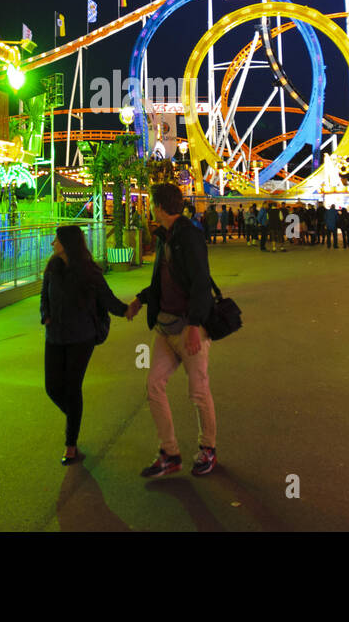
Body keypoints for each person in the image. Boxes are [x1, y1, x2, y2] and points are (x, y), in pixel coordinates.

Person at [126, 182, 219, 478]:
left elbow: (201, 282)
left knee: (198, 391)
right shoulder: (167, 236)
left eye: (152, 204)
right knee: (154, 385)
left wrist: (194, 325)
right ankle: (170, 452)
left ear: (159, 206)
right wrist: (141, 300)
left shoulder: (188, 236)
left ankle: (208, 448)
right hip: (166, 327)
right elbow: (162, 281)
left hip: (188, 328)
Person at [41, 225, 129, 464]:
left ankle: (71, 444)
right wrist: (45, 315)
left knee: (72, 386)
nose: (52, 244)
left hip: (82, 336)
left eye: (56, 240)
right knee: (52, 387)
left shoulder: (89, 272)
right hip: (55, 335)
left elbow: (106, 298)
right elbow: (44, 296)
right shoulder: (53, 267)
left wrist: (126, 310)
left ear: (67, 243)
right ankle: (74, 418)